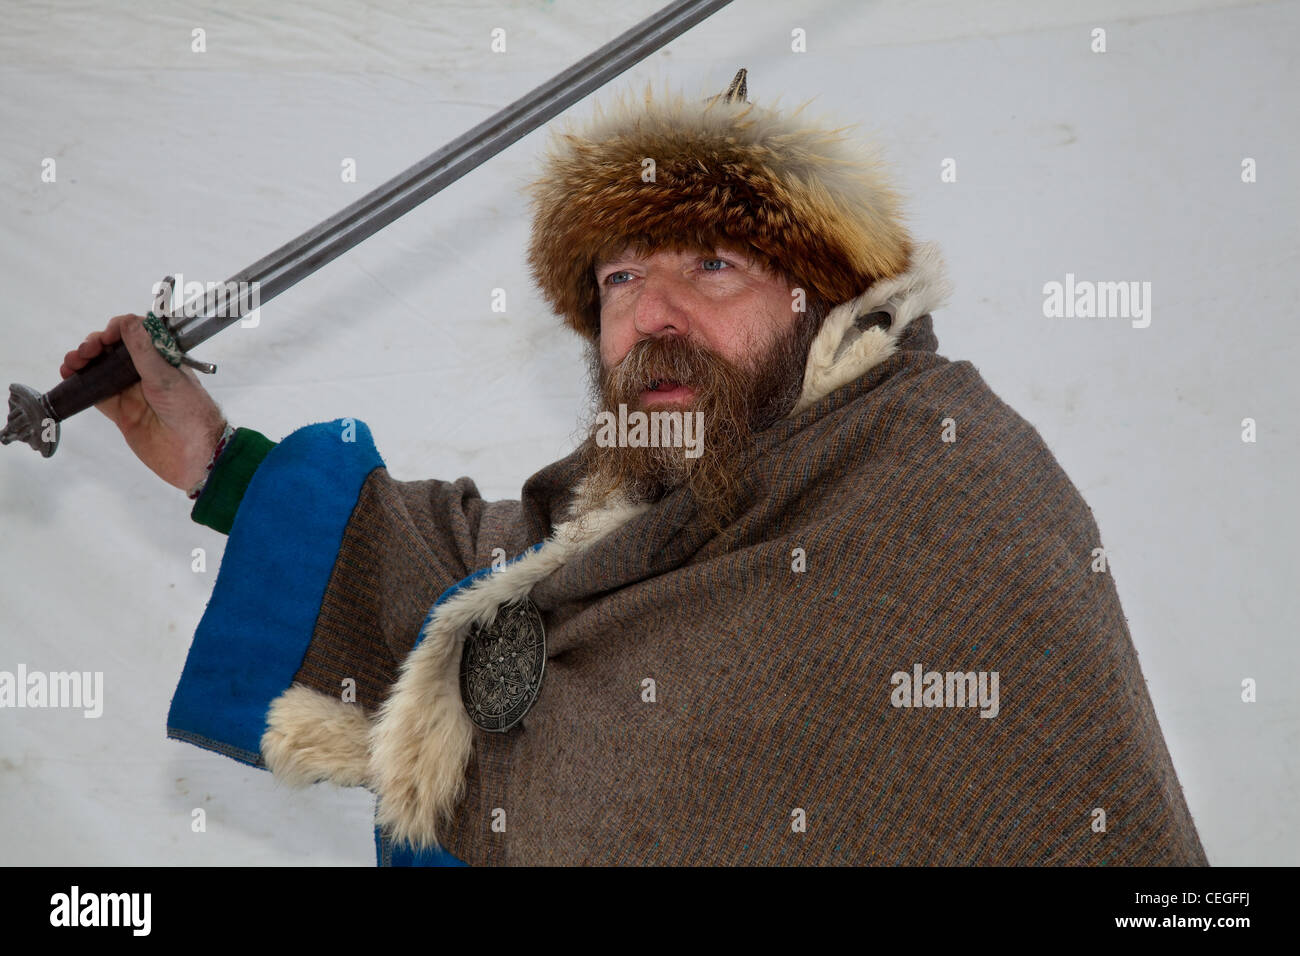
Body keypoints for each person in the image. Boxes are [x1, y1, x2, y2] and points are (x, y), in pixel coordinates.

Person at [63, 74, 1208, 866]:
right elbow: (480, 584)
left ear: (823, 294)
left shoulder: (951, 485)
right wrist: (211, 458)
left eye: (711, 264)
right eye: (618, 278)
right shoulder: (649, 500)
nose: (649, 315)